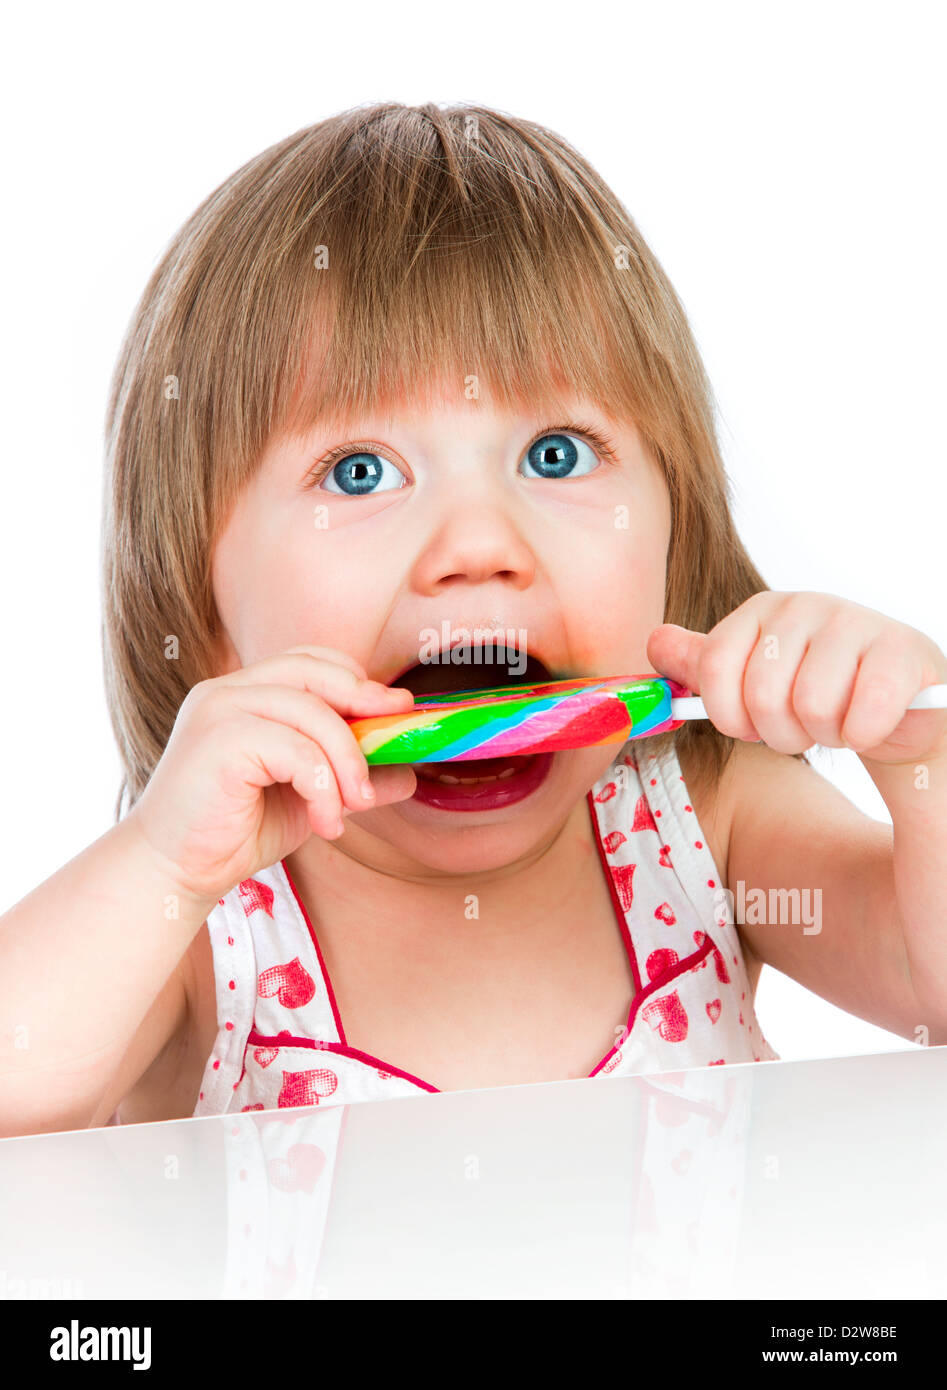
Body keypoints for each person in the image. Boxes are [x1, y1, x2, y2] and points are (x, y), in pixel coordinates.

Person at [2, 102, 945, 1134]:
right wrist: (160, 866)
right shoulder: (202, 918)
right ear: (202, 606)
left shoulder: (703, 822)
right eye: (359, 473)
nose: (475, 544)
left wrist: (918, 757)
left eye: (555, 455)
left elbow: (926, 986)